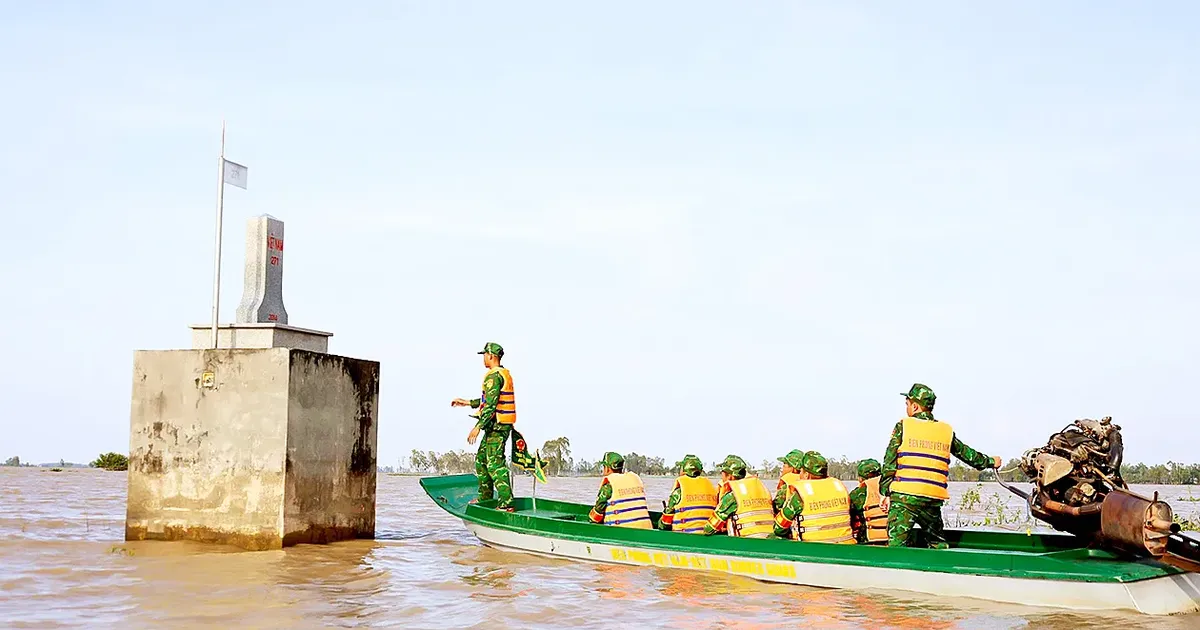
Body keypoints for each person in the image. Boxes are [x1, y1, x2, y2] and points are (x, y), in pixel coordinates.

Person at [880, 383, 1002, 548]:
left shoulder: (903, 426)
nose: (907, 408)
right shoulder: (945, 431)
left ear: (915, 406)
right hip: (932, 500)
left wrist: (884, 492)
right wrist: (991, 461)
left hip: (904, 498)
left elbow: (889, 463)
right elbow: (968, 455)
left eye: (907, 404)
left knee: (896, 546)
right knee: (937, 543)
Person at [450, 342, 518, 511]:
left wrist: (477, 427)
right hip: (496, 426)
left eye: (484, 355)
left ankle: (506, 503)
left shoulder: (493, 376)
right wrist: (466, 402)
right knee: (481, 461)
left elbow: (491, 406)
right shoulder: (501, 374)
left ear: (491, 356)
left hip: (497, 427)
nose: (483, 359)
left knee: (495, 463)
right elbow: (487, 400)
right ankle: (485, 497)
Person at [773, 451, 856, 544]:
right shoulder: (839, 487)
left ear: (806, 474)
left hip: (814, 550)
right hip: (846, 547)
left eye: (801, 471)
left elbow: (779, 528)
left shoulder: (801, 493)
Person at [703, 455, 775, 538]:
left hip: (746, 543)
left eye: (722, 472)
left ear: (730, 476)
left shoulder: (733, 495)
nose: (721, 476)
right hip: (769, 539)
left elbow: (709, 529)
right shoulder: (762, 488)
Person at [588, 452, 652, 528]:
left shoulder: (609, 485)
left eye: (604, 466)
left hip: (622, 532)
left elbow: (597, 515)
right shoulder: (635, 479)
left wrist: (590, 520)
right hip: (647, 528)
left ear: (607, 469)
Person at [659, 454, 717, 533]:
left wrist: (661, 524)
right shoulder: (711, 487)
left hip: (685, 536)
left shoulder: (678, 492)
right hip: (707, 535)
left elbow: (665, 524)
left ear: (684, 470)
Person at [849, 459, 888, 544]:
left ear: (860, 478)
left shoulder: (858, 494)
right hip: (892, 539)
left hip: (870, 542)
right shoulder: (893, 488)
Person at [771, 449, 807, 539]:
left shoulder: (786, 484)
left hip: (791, 531)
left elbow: (776, 507)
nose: (782, 468)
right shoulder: (809, 482)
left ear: (793, 468)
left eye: (784, 465)